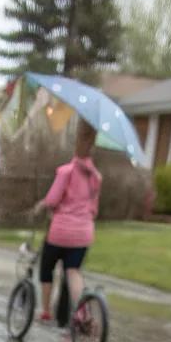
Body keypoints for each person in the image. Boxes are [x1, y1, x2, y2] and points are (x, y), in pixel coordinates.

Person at [32, 120, 101, 325]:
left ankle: (46, 311)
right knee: (73, 271)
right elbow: (94, 210)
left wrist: (41, 205)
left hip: (60, 232)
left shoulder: (66, 171)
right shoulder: (96, 177)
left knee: (47, 269)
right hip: (84, 233)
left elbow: (53, 200)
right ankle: (82, 313)